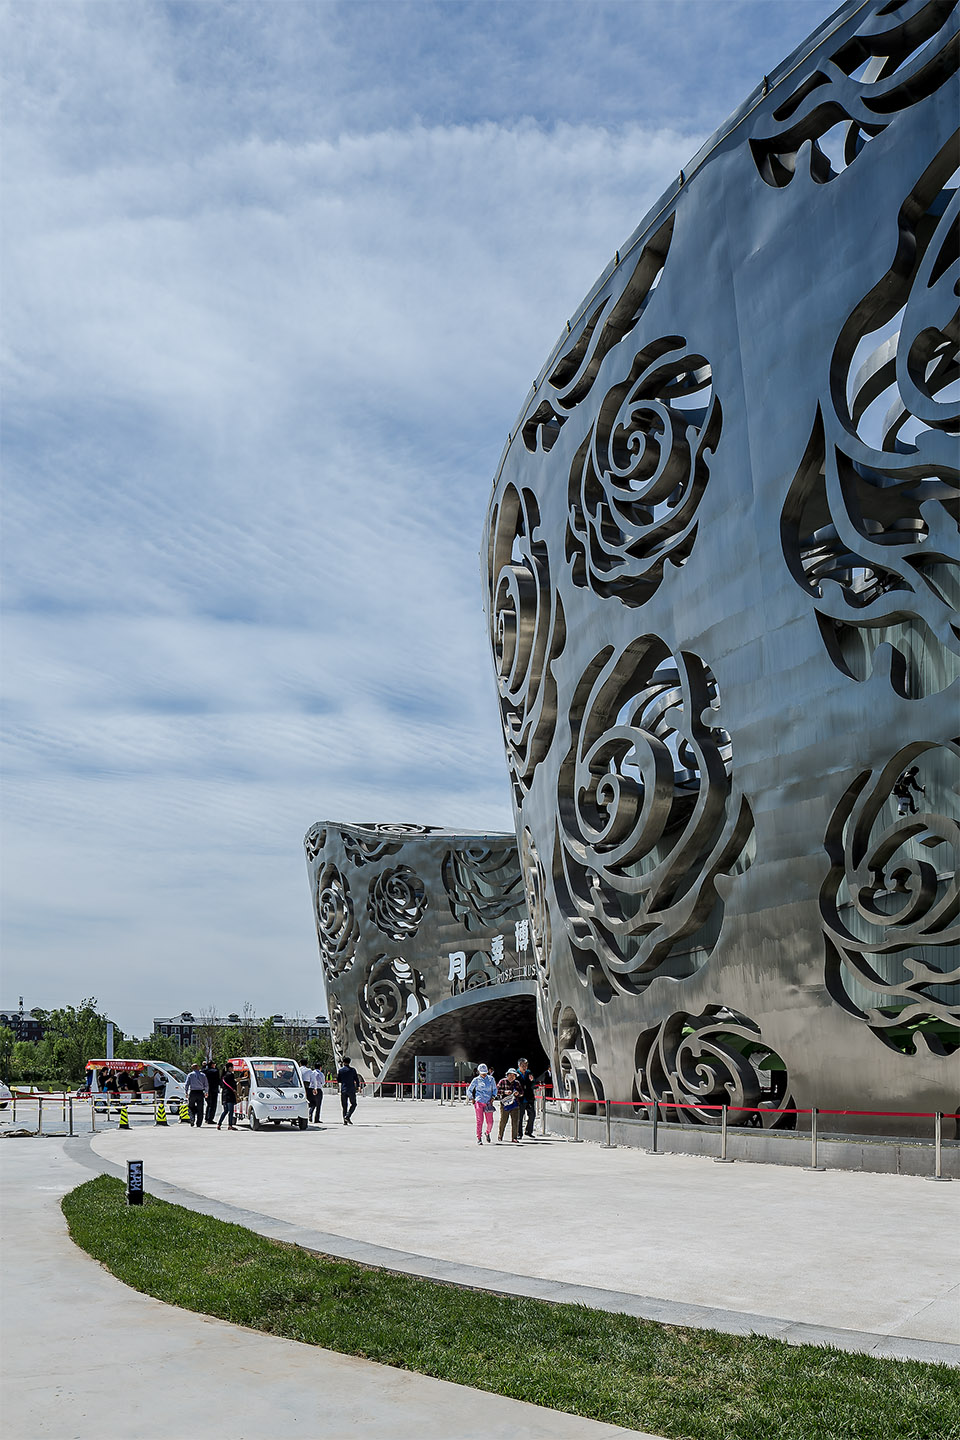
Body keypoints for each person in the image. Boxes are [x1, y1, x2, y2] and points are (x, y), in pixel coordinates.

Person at [466, 1063, 497, 1145]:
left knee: (490, 1122)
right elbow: (469, 1090)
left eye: (485, 1072)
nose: (484, 1074)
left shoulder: (491, 1079)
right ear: (479, 1072)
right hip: (479, 1102)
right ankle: (479, 1137)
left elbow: (494, 1089)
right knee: (480, 1121)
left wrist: (493, 1097)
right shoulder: (476, 1080)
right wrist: (471, 1098)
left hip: (488, 1103)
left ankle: (487, 1132)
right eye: (482, 1072)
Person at [497, 1068, 523, 1144]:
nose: (512, 1077)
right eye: (510, 1075)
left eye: (513, 1075)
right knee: (503, 1120)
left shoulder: (517, 1083)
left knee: (515, 1121)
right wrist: (505, 1092)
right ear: (507, 1075)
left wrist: (518, 1093)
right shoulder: (502, 1081)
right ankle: (500, 1135)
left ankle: (514, 1137)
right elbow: (496, 1091)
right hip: (505, 1105)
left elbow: (521, 1092)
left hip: (515, 1104)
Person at [337, 1057, 363, 1125]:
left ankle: (345, 1120)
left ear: (343, 1062)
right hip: (351, 1089)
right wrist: (358, 1086)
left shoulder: (341, 1070)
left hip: (343, 1089)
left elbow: (338, 1080)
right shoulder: (353, 1070)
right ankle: (348, 1116)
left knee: (344, 1106)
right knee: (354, 1104)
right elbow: (356, 1079)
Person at [515, 1057, 537, 1139]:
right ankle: (519, 1133)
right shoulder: (515, 1074)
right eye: (523, 1065)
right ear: (519, 1066)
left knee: (532, 1114)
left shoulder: (529, 1073)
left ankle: (529, 1131)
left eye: (526, 1065)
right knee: (520, 1116)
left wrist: (532, 1080)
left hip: (529, 1097)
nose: (525, 1067)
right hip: (520, 1098)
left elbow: (533, 1084)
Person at [184, 1062, 208, 1127]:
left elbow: (186, 1084)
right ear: (198, 1068)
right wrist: (206, 1092)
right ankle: (199, 1123)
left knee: (190, 1106)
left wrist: (186, 1092)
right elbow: (206, 1085)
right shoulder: (203, 1075)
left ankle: (192, 1118)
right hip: (200, 1092)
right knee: (200, 1108)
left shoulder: (190, 1075)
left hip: (193, 1092)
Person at [217, 1065, 239, 1130]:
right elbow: (233, 1084)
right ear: (230, 1067)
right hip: (230, 1095)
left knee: (225, 1111)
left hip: (224, 1094)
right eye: (232, 1067)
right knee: (231, 1111)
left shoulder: (223, 1076)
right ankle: (230, 1125)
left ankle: (219, 1124)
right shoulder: (230, 1075)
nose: (233, 1069)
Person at [202, 1060, 221, 1125]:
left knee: (208, 1104)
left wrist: (204, 1066)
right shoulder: (215, 1071)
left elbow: (203, 1070)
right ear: (213, 1065)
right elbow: (218, 1079)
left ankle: (206, 1118)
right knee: (213, 1105)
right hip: (214, 1089)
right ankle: (210, 1119)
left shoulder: (205, 1071)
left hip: (206, 1089)